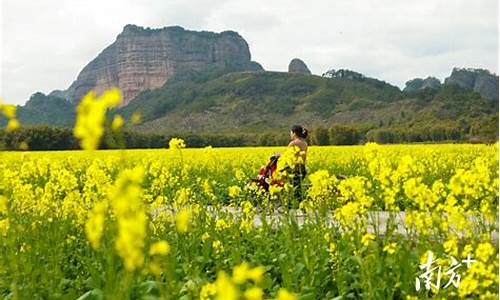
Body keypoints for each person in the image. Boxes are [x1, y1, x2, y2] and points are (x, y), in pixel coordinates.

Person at [287, 125, 308, 202]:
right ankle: (298, 202)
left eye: (291, 132)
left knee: (293, 187)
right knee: (297, 187)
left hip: (294, 169)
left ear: (294, 133)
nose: (290, 134)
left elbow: (288, 156)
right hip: (302, 168)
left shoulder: (293, 143)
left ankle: (292, 204)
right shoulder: (304, 143)